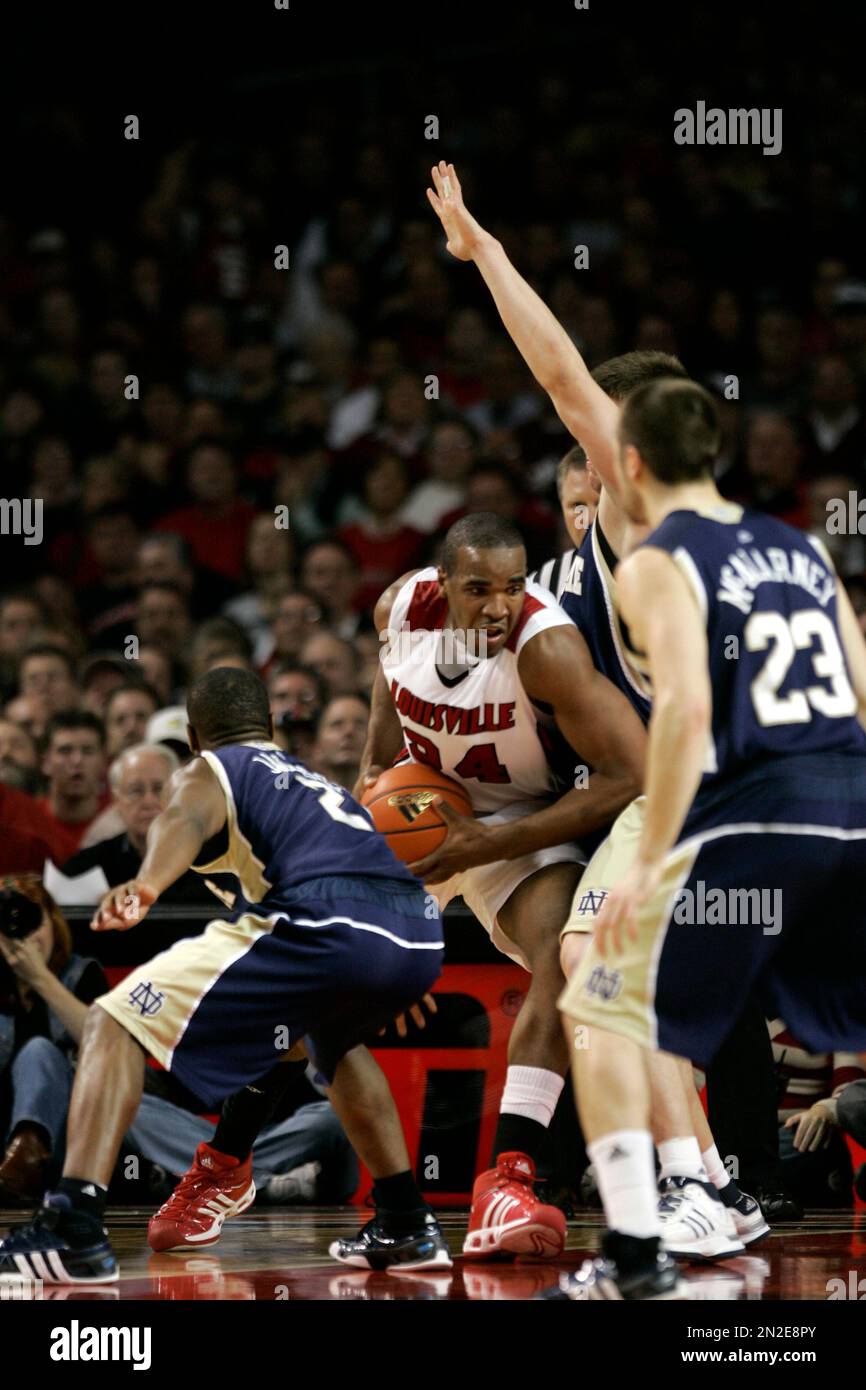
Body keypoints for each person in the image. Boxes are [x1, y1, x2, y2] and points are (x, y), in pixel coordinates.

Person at [427, 165, 769, 1258]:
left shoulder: (644, 509)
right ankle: (705, 1179)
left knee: (598, 963)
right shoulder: (571, 569)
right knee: (594, 966)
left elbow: (563, 375)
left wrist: (486, 257)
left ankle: (695, 1183)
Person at [554, 375, 866, 1298]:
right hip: (843, 808)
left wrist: (649, 871)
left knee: (600, 989)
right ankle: (700, 1193)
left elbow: (686, 714)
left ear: (633, 464)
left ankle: (649, 1236)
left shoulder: (660, 560)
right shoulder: (800, 546)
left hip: (759, 809)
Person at [0, 667, 447, 1283]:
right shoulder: (317, 783)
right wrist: (382, 962)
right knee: (329, 1040)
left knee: (112, 1019)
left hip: (324, 920)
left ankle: (74, 1223)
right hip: (414, 928)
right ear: (268, 726)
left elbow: (180, 819)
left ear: (192, 738)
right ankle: (404, 1219)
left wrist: (148, 882)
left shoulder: (214, 768)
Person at [360, 510, 645, 1257]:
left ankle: (510, 1178)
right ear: (443, 583)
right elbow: (384, 720)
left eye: (514, 587)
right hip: (426, 816)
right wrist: (374, 782)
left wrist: (485, 842)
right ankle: (231, 1169)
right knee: (311, 963)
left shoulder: (545, 649)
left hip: (519, 826)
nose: (499, 606)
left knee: (563, 954)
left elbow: (632, 772)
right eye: (479, 588)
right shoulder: (398, 613)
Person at [0, 876, 107, 1202]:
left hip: (76, 1135)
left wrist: (41, 979)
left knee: (38, 1052)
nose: (28, 937)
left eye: (34, 921)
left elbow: (104, 1047)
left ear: (52, 921)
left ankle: (26, 1157)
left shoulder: (82, 974)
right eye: (10, 925)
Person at [37, 711, 110, 860]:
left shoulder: (121, 823)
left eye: (88, 751)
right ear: (45, 762)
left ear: (104, 761)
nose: (77, 760)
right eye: (65, 751)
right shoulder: (27, 820)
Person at [312, 693, 369, 792]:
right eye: (337, 724)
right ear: (316, 747)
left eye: (360, 725)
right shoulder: (297, 803)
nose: (349, 731)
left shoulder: (392, 800)